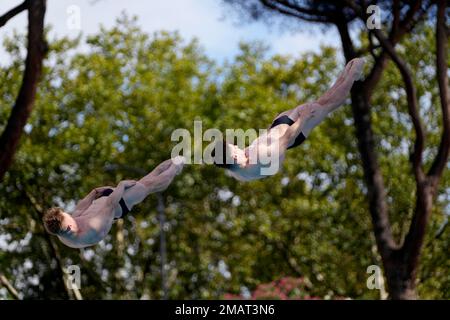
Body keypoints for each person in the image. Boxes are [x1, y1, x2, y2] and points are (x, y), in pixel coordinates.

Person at [213, 58, 365, 181]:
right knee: (327, 105)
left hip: (277, 126)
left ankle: (346, 76)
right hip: (296, 130)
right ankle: (352, 76)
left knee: (320, 102)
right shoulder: (259, 159)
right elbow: (286, 138)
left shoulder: (235, 169)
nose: (240, 148)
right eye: (236, 149)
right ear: (233, 156)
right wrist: (304, 118)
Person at [43, 156, 185, 248]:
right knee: (150, 184)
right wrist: (121, 186)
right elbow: (110, 205)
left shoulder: (63, 231)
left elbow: (79, 209)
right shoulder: (92, 230)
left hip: (106, 203)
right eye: (70, 218)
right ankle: (176, 167)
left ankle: (175, 160)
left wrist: (94, 193)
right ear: (68, 227)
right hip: (119, 204)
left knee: (146, 180)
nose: (72, 215)